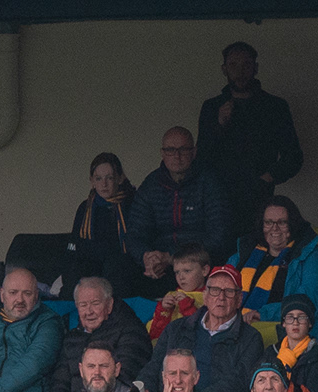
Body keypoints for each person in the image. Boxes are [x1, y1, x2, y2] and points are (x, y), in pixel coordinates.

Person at [196, 42, 304, 243]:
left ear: (255, 68)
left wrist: (268, 177)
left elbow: (293, 157)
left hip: (259, 201)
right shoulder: (212, 108)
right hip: (219, 202)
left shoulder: (274, 107)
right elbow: (201, 157)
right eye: (233, 65)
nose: (240, 72)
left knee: (259, 254)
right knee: (222, 256)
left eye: (246, 64)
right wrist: (219, 125)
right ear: (224, 69)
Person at [142, 266, 265, 392]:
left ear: (239, 300)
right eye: (215, 290)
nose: (221, 297)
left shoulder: (251, 338)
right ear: (205, 296)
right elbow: (155, 366)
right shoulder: (176, 328)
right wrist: (141, 389)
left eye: (229, 292)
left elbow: (238, 383)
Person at [130, 127, 233, 285]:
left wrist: (173, 257)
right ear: (162, 153)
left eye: (183, 150)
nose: (176, 156)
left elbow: (219, 237)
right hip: (159, 265)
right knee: (121, 268)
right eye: (170, 150)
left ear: (194, 152)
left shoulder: (210, 182)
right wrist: (146, 257)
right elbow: (135, 233)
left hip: (197, 264)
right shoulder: (151, 184)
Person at [230, 196, 318, 346]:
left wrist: (263, 314)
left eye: (282, 222)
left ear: (292, 224)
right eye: (268, 222)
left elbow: (310, 302)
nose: (274, 228)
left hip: (299, 340)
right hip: (243, 334)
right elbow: (222, 285)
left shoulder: (312, 256)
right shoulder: (245, 254)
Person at [50, 275, 151, 392]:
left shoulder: (131, 331)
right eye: (83, 305)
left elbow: (125, 376)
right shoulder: (71, 337)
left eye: (95, 304)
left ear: (109, 304)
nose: (89, 311)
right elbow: (59, 383)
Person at [68, 153, 142, 296]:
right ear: (92, 181)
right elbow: (75, 246)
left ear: (119, 178)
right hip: (91, 267)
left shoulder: (132, 205)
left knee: (117, 267)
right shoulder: (85, 208)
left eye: (109, 178)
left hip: (122, 268)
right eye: (99, 178)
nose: (104, 184)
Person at [268, 294, 318, 392]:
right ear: (283, 323)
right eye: (290, 317)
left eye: (302, 317)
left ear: (310, 323)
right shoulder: (271, 352)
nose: (295, 322)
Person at [146, 245, 209, 342]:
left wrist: (187, 306)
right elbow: (155, 335)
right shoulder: (171, 295)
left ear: (204, 270)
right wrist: (164, 310)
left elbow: (201, 332)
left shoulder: (210, 297)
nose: (181, 277)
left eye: (187, 271)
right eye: (177, 272)